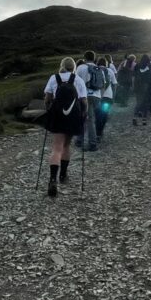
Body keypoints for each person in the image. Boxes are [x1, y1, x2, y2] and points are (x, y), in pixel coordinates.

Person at [42, 57, 88, 197]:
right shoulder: (78, 80)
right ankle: (63, 175)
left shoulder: (54, 78)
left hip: (58, 115)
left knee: (57, 147)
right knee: (67, 146)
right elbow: (84, 100)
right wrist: (84, 114)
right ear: (73, 67)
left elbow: (47, 98)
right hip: (73, 115)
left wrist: (48, 108)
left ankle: (52, 180)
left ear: (61, 66)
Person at [76, 50, 105, 151]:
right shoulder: (99, 69)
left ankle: (90, 143)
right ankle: (82, 140)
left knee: (85, 119)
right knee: (91, 119)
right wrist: (100, 97)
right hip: (96, 96)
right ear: (94, 58)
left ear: (84, 58)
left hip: (84, 96)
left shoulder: (80, 67)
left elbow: (75, 82)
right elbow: (103, 84)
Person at [96, 56, 117, 138]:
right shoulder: (110, 71)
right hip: (108, 97)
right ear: (106, 63)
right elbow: (115, 84)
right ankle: (100, 132)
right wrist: (113, 96)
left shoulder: (95, 70)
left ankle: (97, 131)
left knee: (97, 114)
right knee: (104, 114)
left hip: (97, 97)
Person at [132, 54, 151, 126]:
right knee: (146, 104)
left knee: (138, 103)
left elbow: (133, 77)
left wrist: (133, 86)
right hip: (147, 88)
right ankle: (144, 120)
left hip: (138, 87)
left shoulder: (137, 66)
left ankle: (135, 117)